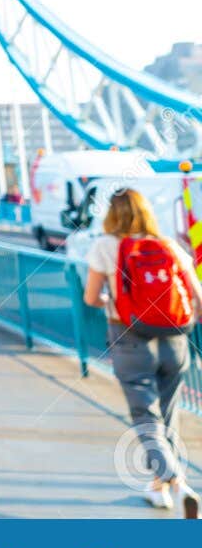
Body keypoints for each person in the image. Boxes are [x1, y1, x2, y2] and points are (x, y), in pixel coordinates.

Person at [82, 188, 202, 516]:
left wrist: (116, 302)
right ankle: (158, 488)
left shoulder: (105, 246)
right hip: (175, 339)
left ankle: (176, 482)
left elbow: (91, 298)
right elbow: (197, 296)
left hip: (130, 337)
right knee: (168, 414)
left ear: (111, 213)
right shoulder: (168, 245)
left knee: (146, 417)